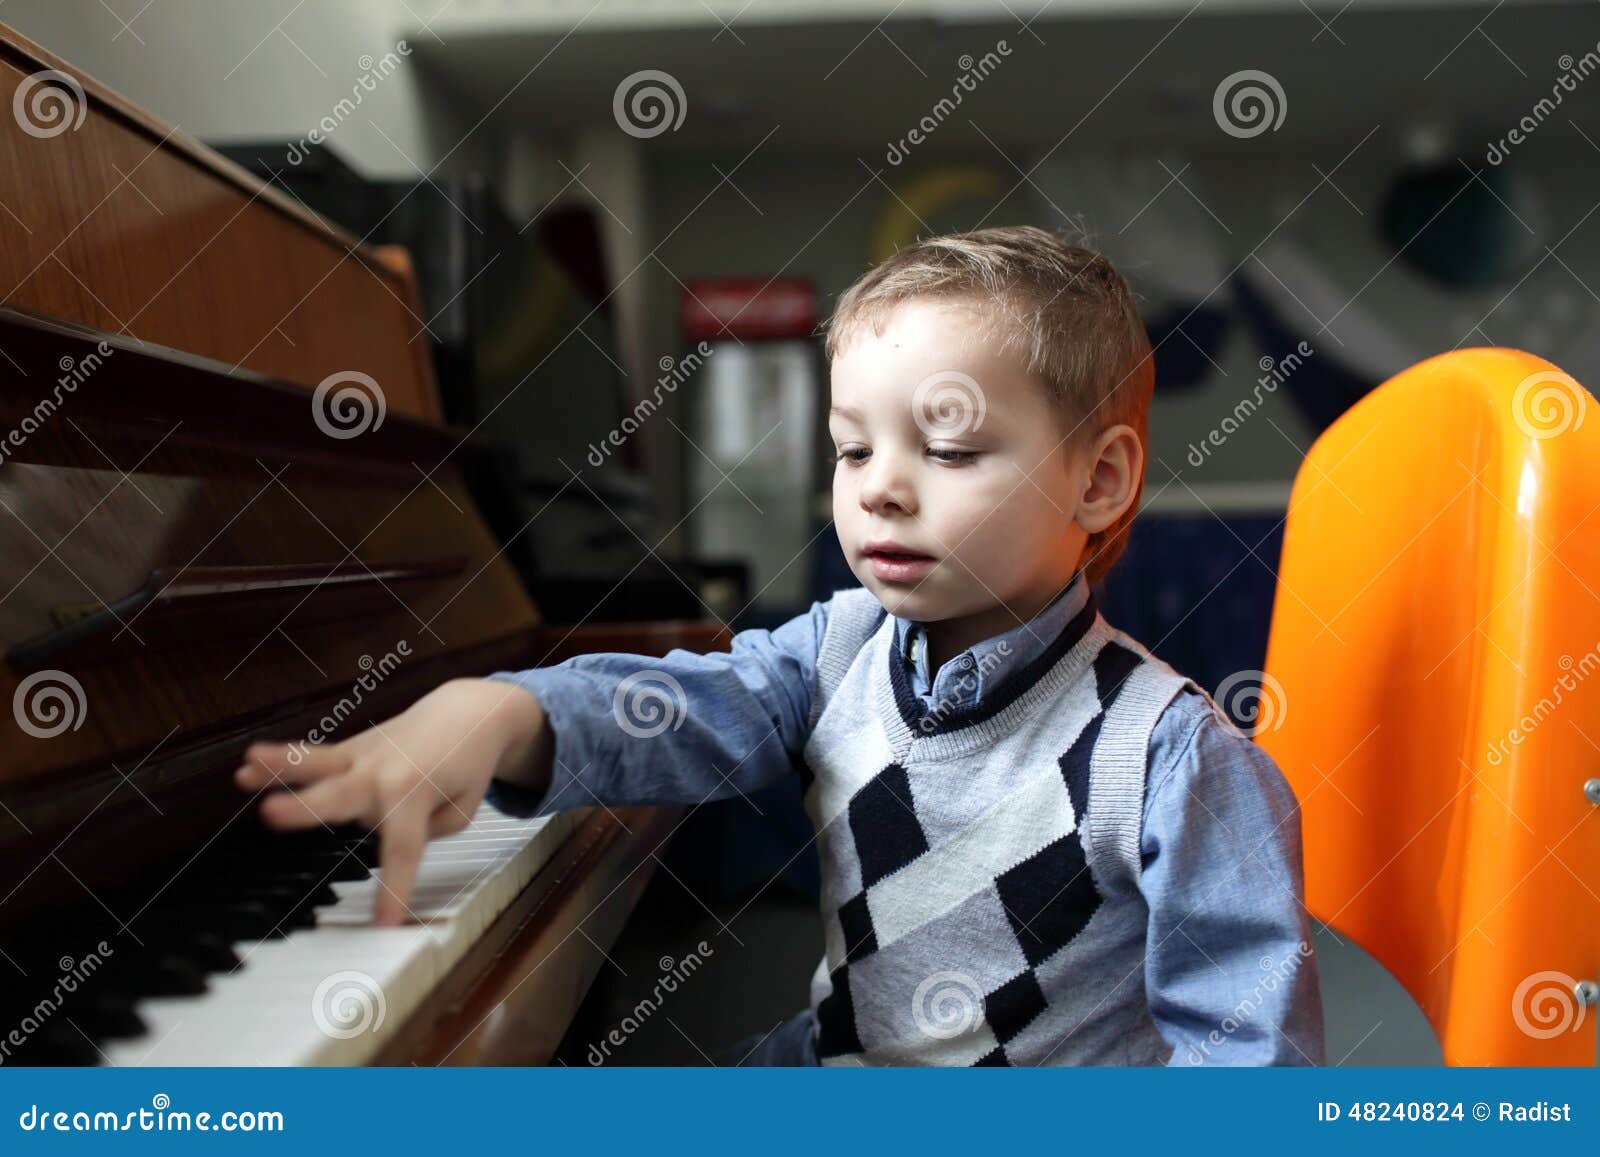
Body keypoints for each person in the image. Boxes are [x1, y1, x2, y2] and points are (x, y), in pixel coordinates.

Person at [234, 224, 1325, 1067]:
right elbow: (681, 704)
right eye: (853, 449)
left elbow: (1246, 1053)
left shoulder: (1170, 755)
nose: (881, 487)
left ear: (1100, 480)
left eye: (946, 447)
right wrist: (506, 711)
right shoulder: (836, 648)